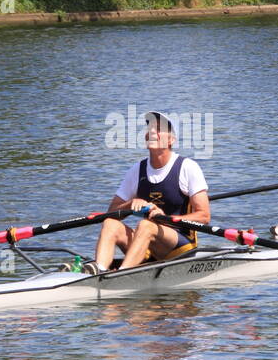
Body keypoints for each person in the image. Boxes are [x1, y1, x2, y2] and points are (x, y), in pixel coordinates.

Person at [89, 111, 210, 273]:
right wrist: (130, 205)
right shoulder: (137, 170)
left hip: (180, 246)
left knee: (146, 225)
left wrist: (165, 219)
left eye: (158, 129)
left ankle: (122, 274)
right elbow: (110, 213)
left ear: (171, 140)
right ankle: (99, 271)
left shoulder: (188, 167)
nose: (152, 132)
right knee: (110, 223)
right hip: (147, 245)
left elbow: (204, 216)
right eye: (150, 128)